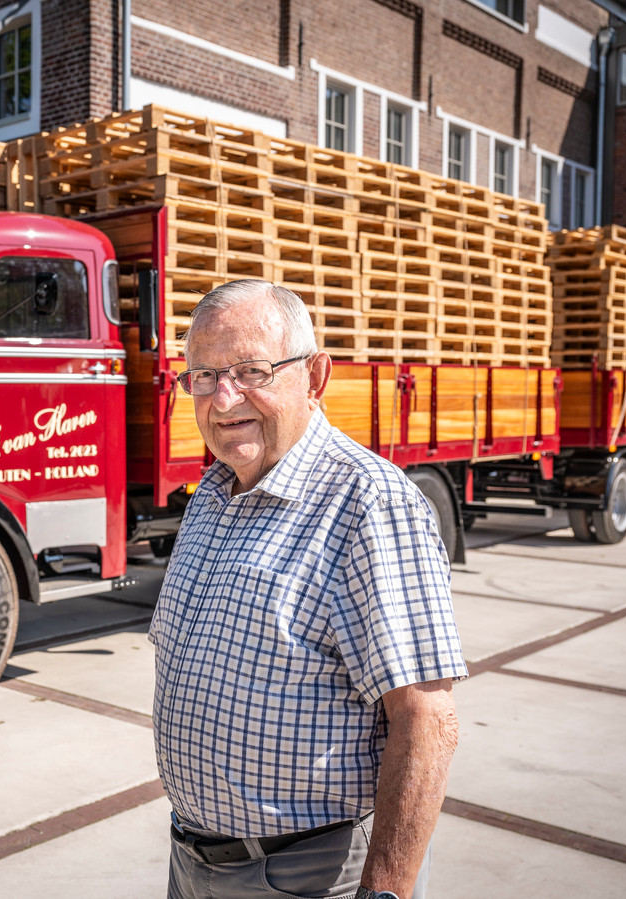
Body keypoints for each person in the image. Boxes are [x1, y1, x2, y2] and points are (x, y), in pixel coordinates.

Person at [150, 280, 467, 899]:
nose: (223, 397)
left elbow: (426, 716)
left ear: (315, 376)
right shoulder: (212, 497)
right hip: (193, 862)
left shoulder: (368, 503)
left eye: (250, 371)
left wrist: (386, 892)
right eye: (204, 376)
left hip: (308, 875)